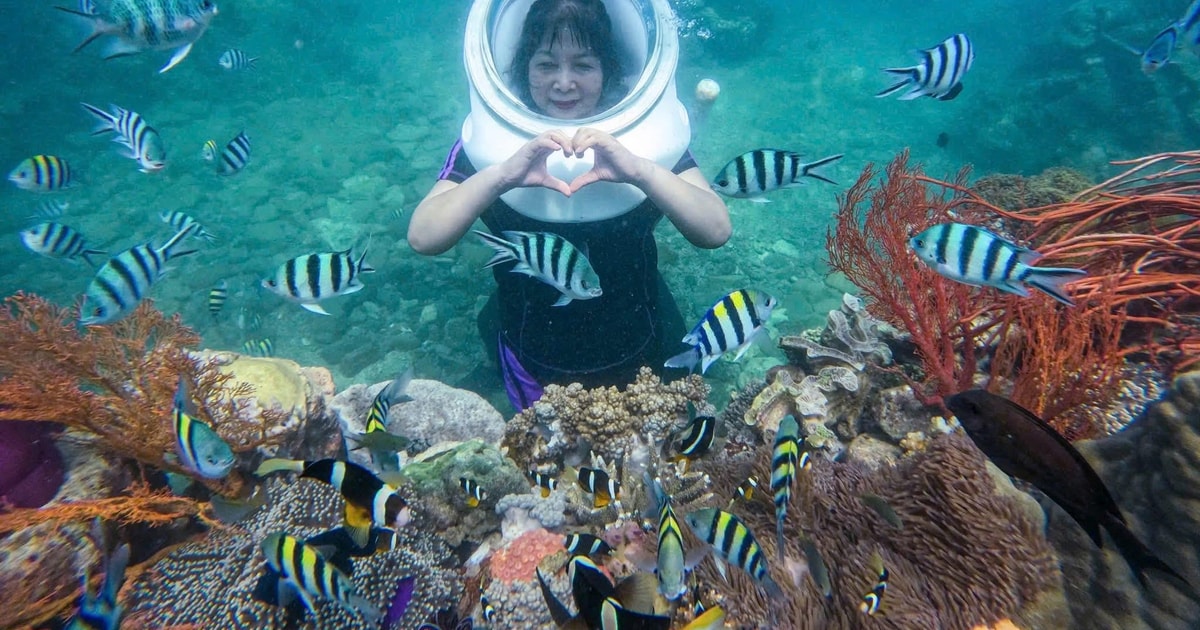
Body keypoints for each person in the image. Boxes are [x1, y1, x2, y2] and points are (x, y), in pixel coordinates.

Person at [408, 0, 730, 410]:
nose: (563, 83)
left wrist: (639, 170)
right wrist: (502, 175)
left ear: (608, 68)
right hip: (533, 355)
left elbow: (716, 228)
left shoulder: (644, 138)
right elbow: (423, 235)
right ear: (523, 66)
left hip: (644, 344)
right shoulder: (491, 142)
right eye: (545, 65)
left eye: (583, 65)